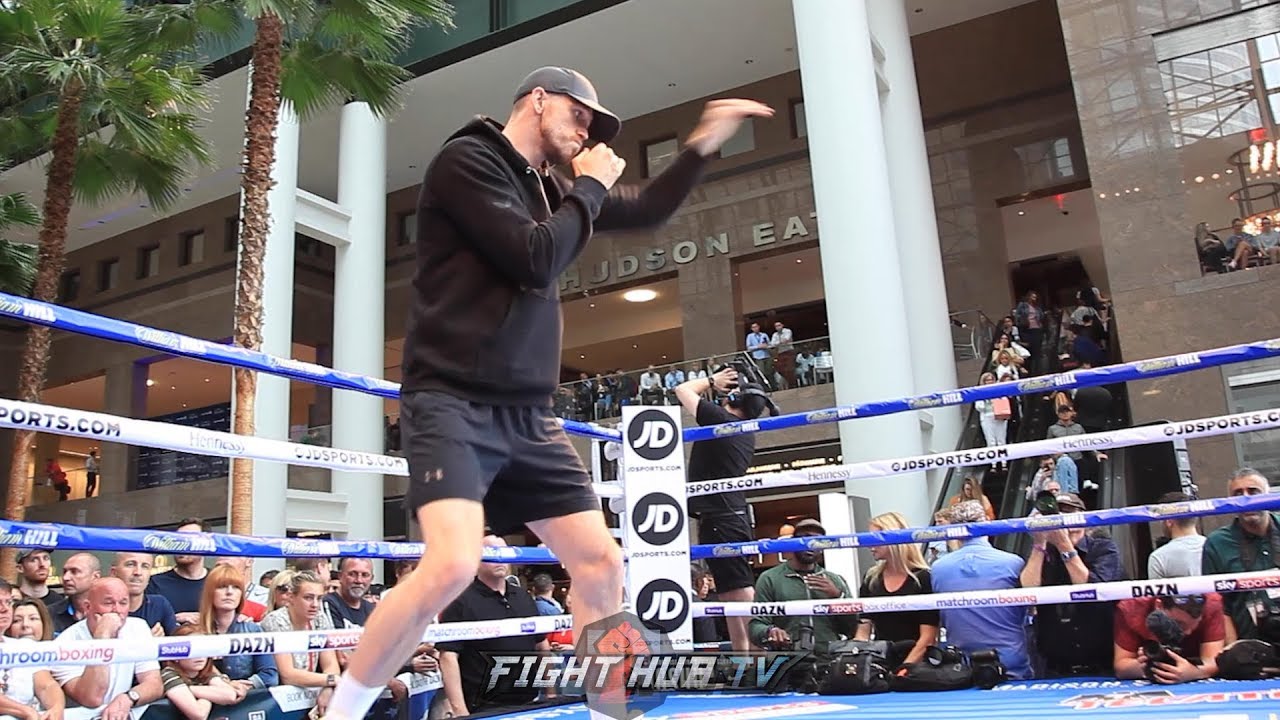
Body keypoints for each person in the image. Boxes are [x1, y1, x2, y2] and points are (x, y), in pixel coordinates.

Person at [325, 65, 772, 720]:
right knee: (450, 566)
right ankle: (338, 713)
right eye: (579, 115)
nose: (586, 130)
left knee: (600, 563)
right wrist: (589, 186)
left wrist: (704, 141)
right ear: (537, 100)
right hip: (453, 398)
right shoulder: (468, 160)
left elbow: (645, 209)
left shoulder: (551, 188)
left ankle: (609, 711)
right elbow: (534, 255)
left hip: (528, 416)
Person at [673, 365, 779, 652]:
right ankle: (744, 656)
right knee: (730, 589)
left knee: (738, 586)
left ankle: (757, 652)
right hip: (723, 514)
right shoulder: (740, 430)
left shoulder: (723, 421)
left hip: (723, 516)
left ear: (734, 400)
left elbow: (682, 390)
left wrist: (711, 381)